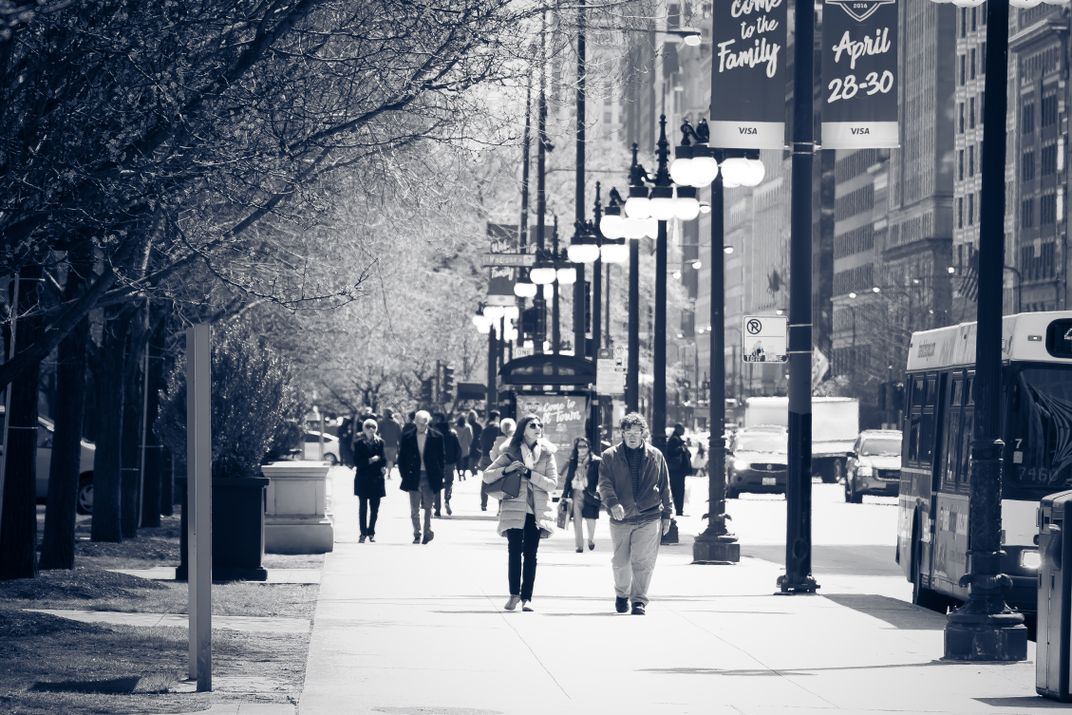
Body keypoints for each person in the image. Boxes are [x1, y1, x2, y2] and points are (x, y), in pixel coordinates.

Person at [597, 413, 672, 616]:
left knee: (643, 561)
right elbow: (604, 484)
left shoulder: (656, 455)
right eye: (628, 432)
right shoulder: (610, 456)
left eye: (637, 432)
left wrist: (668, 515)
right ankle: (622, 594)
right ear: (622, 433)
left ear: (643, 433)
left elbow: (665, 485)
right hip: (621, 518)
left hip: (649, 516)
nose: (632, 436)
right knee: (620, 562)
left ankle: (639, 600)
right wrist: (613, 504)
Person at [482, 414, 557, 612]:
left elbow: (552, 484)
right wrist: (507, 469)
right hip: (514, 507)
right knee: (514, 552)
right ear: (523, 429)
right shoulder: (510, 452)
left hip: (536, 510)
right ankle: (514, 595)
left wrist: (529, 474)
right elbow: (487, 476)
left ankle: (527, 598)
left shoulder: (548, 454)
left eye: (540, 425)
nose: (537, 427)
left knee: (531, 554)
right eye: (533, 425)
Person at [397, 410, 445, 544]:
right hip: (414, 475)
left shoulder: (437, 436)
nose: (421, 426)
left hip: (430, 476)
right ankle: (417, 533)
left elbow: (442, 458)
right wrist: (404, 475)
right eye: (418, 424)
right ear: (415, 422)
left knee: (429, 507)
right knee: (414, 508)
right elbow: (401, 458)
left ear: (427, 423)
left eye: (423, 424)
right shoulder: (407, 437)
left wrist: (440, 474)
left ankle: (427, 532)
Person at [562, 436, 601, 553]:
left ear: (589, 447)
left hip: (590, 493)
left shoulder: (596, 461)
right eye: (580, 446)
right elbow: (568, 479)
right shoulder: (573, 461)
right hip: (576, 493)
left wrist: (601, 491)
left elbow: (602, 478)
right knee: (577, 520)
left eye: (584, 446)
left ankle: (591, 539)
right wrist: (564, 494)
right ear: (577, 448)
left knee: (591, 518)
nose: (582, 448)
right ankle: (579, 546)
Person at [352, 419, 386, 543]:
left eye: (374, 426)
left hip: (376, 479)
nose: (371, 429)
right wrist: (370, 460)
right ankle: (362, 533)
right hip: (363, 478)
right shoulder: (358, 443)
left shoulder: (380, 442)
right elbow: (356, 462)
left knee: (375, 508)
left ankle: (371, 532)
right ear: (364, 429)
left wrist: (383, 465)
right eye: (368, 427)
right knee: (362, 508)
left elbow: (383, 459)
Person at [433, 413, 461, 517]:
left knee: (437, 485)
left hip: (437, 464)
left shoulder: (435, 436)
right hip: (450, 463)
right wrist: (456, 461)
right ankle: (447, 500)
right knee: (449, 483)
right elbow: (458, 450)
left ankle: (437, 508)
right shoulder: (452, 435)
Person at [665, 423, 692, 517]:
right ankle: (679, 510)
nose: (684, 431)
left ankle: (679, 509)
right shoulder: (674, 439)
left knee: (677, 490)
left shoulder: (676, 439)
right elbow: (671, 452)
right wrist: (682, 449)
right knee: (678, 490)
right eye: (682, 429)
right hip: (676, 470)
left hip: (677, 470)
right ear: (677, 429)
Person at [477, 410, 502, 511]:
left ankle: (484, 504)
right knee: (500, 482)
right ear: (496, 417)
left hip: (485, 457)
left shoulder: (485, 429)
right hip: (496, 458)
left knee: (485, 481)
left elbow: (480, 443)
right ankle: (500, 506)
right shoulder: (498, 429)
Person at [378, 409, 402, 480]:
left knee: (383, 459)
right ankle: (389, 474)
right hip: (393, 444)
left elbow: (377, 432)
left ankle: (383, 473)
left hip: (383, 444)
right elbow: (400, 435)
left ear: (386, 414)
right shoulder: (396, 423)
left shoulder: (381, 422)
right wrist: (400, 445)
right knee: (390, 460)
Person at [455, 416, 473, 481]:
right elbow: (470, 438)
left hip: (457, 448)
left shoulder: (455, 427)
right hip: (465, 447)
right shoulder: (468, 428)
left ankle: (459, 474)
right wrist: (470, 444)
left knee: (458, 462)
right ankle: (464, 473)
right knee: (465, 462)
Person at [466, 410, 483, 477]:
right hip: (475, 445)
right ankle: (474, 472)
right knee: (475, 462)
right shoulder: (478, 426)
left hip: (472, 445)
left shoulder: (468, 425)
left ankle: (474, 472)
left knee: (472, 462)